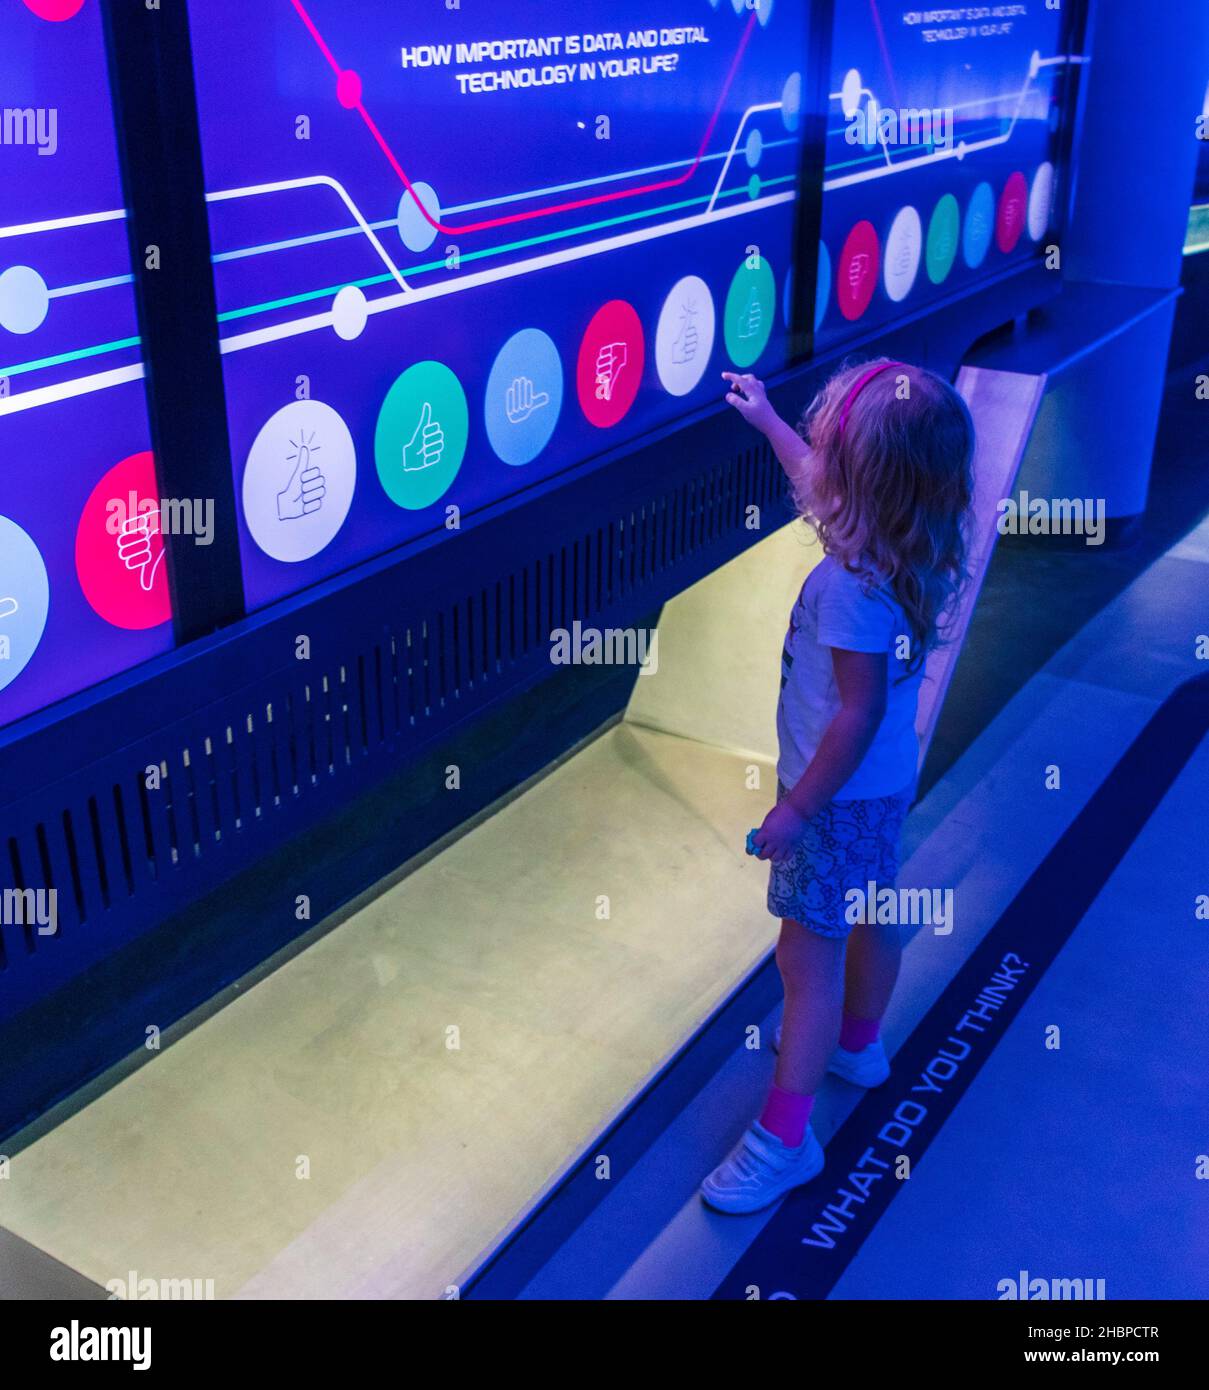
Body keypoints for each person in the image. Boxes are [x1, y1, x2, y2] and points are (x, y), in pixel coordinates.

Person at [701, 359, 975, 1214]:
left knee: (804, 959)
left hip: (833, 796)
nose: (814, 462)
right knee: (873, 907)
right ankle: (859, 1045)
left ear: (859, 483)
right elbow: (820, 485)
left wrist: (793, 809)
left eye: (828, 451)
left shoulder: (849, 590)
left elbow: (850, 717)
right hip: (882, 790)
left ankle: (784, 1139)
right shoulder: (902, 547)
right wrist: (771, 422)